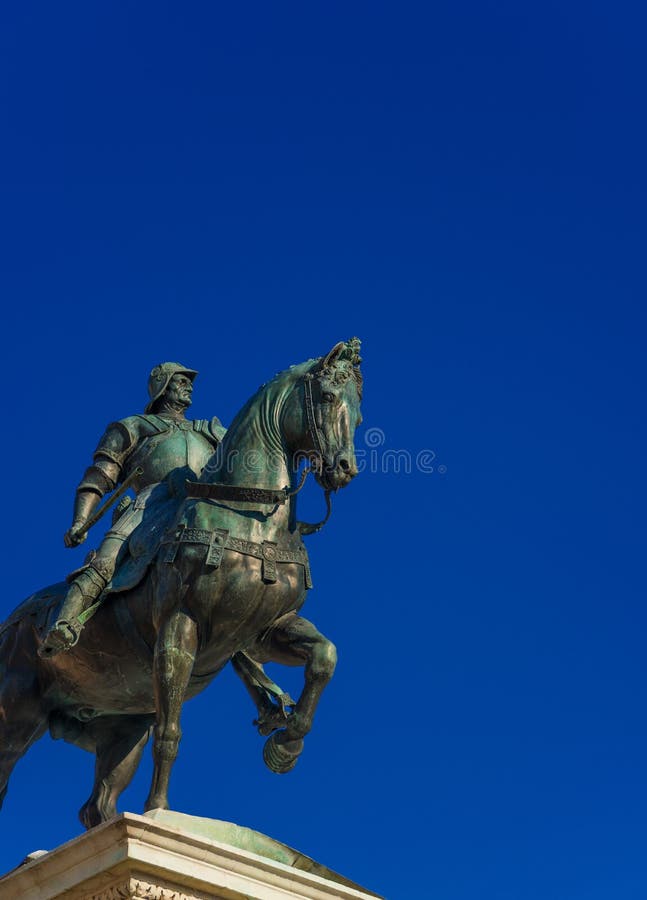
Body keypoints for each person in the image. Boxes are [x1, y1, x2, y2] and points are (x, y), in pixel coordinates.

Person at [39, 361, 225, 656]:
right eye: (180, 381)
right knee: (105, 562)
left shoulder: (212, 431)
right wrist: (80, 520)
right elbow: (98, 477)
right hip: (149, 505)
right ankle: (65, 623)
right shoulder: (134, 427)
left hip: (204, 504)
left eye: (189, 382)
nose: (189, 386)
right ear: (162, 388)